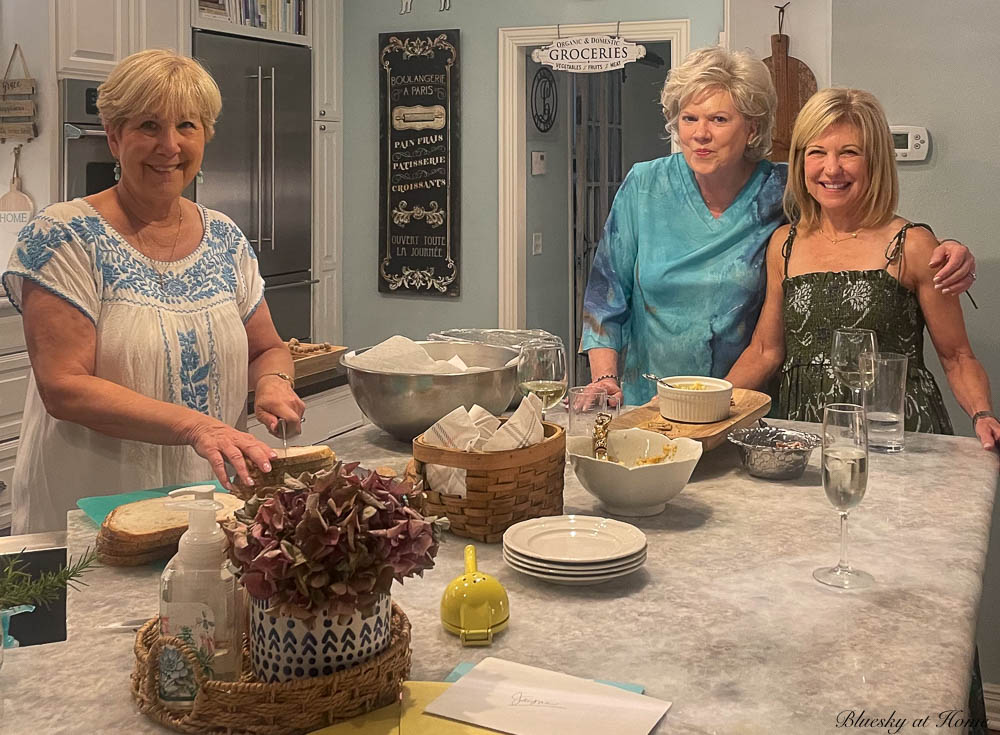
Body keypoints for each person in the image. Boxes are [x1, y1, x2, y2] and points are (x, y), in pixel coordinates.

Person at [1, 50, 306, 534]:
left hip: (212, 508)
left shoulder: (224, 237)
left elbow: (267, 348)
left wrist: (273, 383)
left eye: (187, 125)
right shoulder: (64, 235)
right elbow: (65, 387)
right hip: (93, 512)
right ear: (115, 134)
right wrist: (196, 426)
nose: (170, 146)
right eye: (148, 126)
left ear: (205, 134)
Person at [579, 47, 975, 408]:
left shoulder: (783, 191)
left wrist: (947, 247)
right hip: (650, 398)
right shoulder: (644, 186)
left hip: (749, 404)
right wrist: (605, 379)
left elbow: (859, 228)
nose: (700, 133)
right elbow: (605, 299)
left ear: (751, 128)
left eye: (719, 119)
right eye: (689, 118)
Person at [726, 87, 999, 450]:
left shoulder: (912, 245)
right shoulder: (784, 244)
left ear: (875, 161)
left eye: (849, 153)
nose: (831, 168)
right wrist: (711, 404)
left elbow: (957, 356)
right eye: (817, 152)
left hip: (895, 436)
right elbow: (765, 351)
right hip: (805, 434)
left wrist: (983, 415)